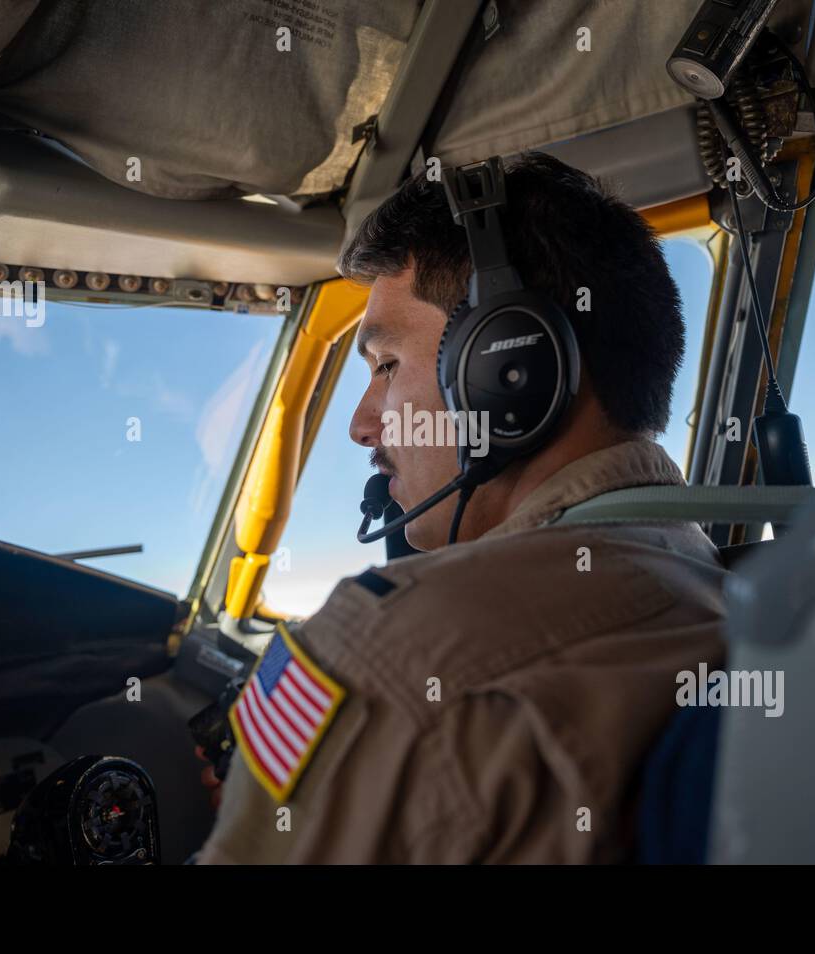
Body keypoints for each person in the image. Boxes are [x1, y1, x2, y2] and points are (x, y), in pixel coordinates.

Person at [195, 152, 726, 863]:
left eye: (385, 366)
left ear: (509, 369)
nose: (360, 422)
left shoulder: (387, 663)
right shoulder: (715, 578)